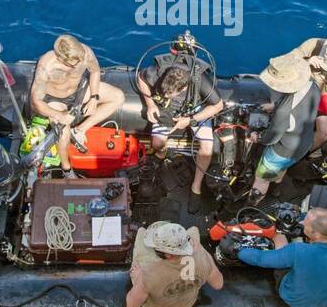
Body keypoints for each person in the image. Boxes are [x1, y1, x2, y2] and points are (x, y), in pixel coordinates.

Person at [136, 38, 224, 212]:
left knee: (207, 147)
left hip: (194, 111)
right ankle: (161, 156)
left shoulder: (200, 80)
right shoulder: (155, 72)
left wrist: (190, 120)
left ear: (183, 88)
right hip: (167, 110)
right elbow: (141, 79)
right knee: (157, 143)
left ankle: (196, 187)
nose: (167, 95)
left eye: (172, 93)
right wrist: (151, 104)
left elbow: (218, 105)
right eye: (164, 92)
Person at [29, 34, 125, 176]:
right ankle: (66, 168)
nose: (80, 62)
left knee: (118, 97)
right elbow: (36, 101)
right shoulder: (47, 66)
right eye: (74, 63)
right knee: (63, 133)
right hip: (55, 98)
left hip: (78, 90)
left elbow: (95, 71)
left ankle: (80, 129)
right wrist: (60, 115)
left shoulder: (84, 53)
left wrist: (94, 97)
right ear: (61, 58)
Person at [236, 206, 327, 307]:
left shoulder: (298, 251)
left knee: (279, 236)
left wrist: (238, 250)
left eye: (305, 223)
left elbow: (259, 259)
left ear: (316, 234)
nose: (302, 223)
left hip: (296, 301)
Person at [247, 52, 320, 201]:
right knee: (282, 168)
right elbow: (296, 102)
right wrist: (275, 105)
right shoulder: (312, 85)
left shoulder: (283, 111)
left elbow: (271, 138)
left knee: (261, 179)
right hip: (303, 144)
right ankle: (276, 189)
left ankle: (253, 204)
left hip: (281, 151)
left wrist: (257, 137)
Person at [126, 221, 223, 307]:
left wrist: (138, 277)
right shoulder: (203, 257)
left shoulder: (147, 273)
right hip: (187, 304)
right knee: (194, 229)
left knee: (141, 231)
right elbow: (218, 284)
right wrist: (203, 253)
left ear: (168, 255)